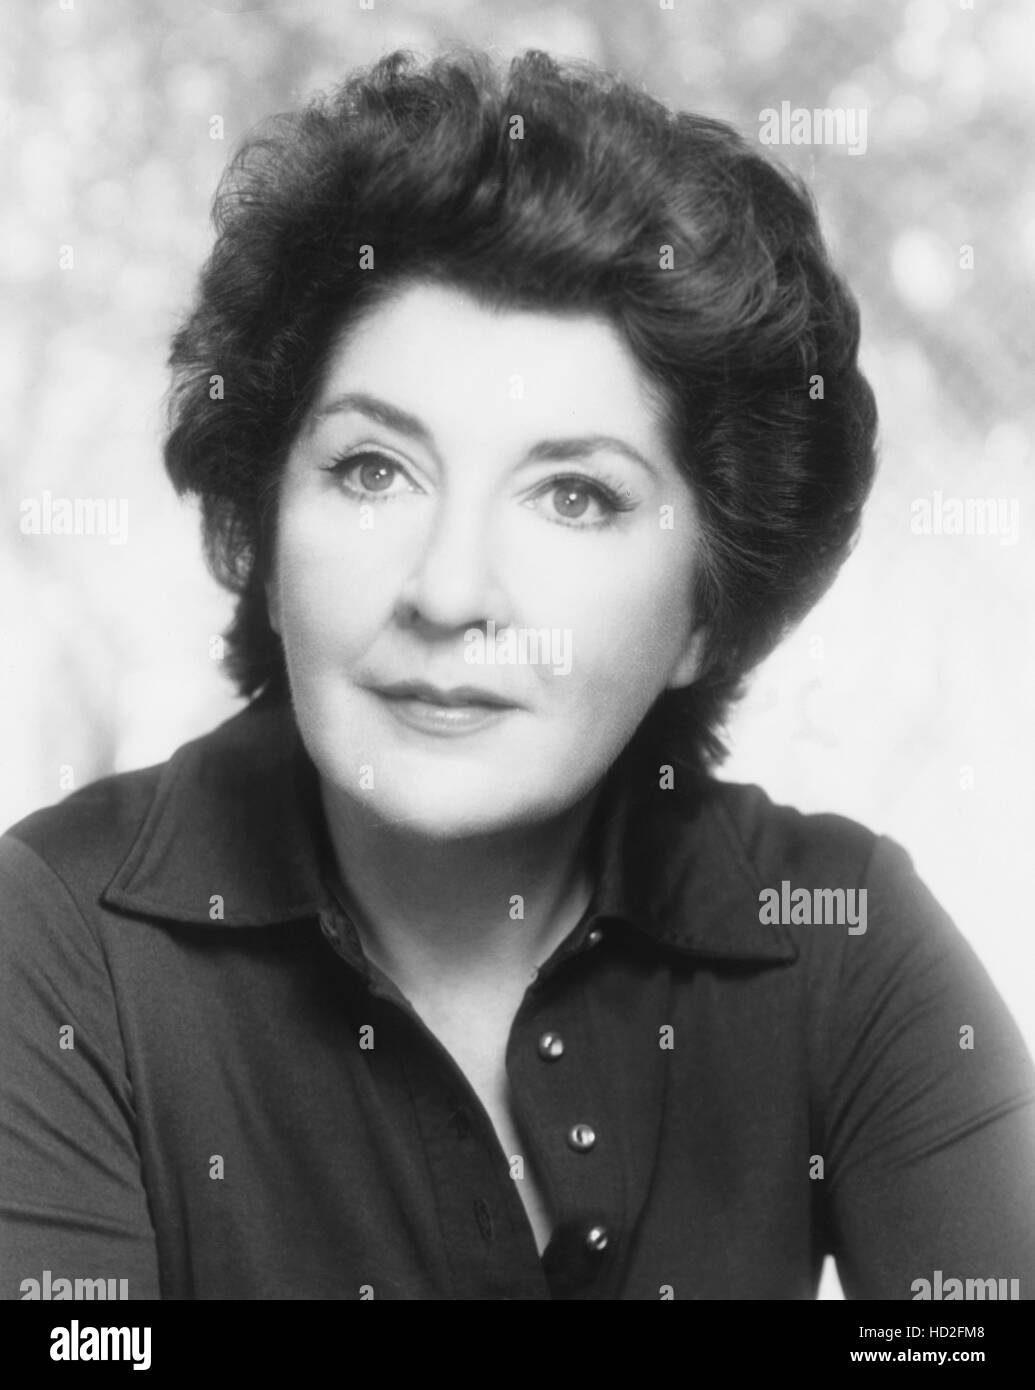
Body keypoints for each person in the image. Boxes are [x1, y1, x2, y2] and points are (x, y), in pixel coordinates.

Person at [2, 48, 1033, 1302]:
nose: (449, 592)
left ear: (708, 612)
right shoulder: (54, 939)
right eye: (374, 469)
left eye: (575, 496)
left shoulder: (835, 933)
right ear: (265, 539)